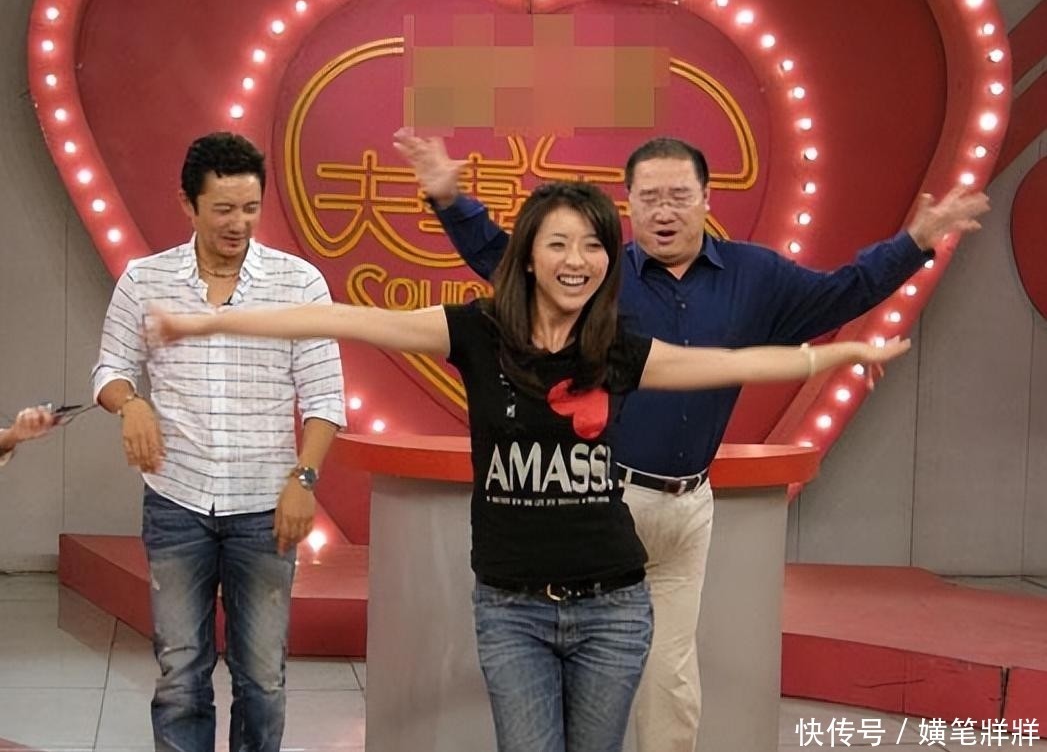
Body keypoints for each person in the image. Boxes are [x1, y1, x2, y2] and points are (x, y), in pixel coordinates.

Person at [148, 180, 910, 752]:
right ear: (528, 257)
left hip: (614, 606)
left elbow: (729, 364)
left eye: (592, 246)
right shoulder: (478, 332)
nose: (576, 261)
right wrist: (205, 323)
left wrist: (836, 352)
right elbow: (341, 318)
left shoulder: (614, 348)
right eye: (558, 244)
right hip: (510, 608)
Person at [392, 130, 991, 752]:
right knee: (579, 691)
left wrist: (915, 243)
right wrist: (451, 200)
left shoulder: (756, 277)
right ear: (628, 203)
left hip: (689, 505)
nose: (664, 211)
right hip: (604, 502)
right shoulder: (596, 276)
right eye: (649, 197)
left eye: (679, 196)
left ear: (707, 198)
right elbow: (505, 258)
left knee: (672, 680)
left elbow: (845, 290)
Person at [90, 132, 346, 752]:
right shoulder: (144, 280)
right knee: (180, 672)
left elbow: (324, 399)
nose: (239, 223)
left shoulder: (298, 283)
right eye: (224, 209)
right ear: (188, 204)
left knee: (262, 677)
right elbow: (109, 371)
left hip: (266, 507)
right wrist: (132, 404)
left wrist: (304, 479)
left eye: (251, 208)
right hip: (176, 501)